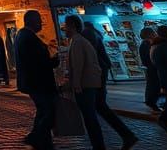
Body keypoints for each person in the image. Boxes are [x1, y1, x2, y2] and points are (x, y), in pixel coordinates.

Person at [82, 22, 137, 149]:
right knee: (101, 107)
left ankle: (121, 137)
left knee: (95, 108)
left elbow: (89, 56)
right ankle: (126, 135)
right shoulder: (95, 33)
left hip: (95, 74)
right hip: (101, 71)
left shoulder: (87, 34)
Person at [15, 10, 58, 150]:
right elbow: (38, 61)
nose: (41, 23)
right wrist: (54, 60)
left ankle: (41, 139)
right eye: (39, 20)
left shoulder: (23, 35)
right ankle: (37, 136)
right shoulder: (28, 37)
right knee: (49, 111)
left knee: (43, 110)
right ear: (32, 21)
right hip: (38, 82)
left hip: (34, 82)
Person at [63, 15, 106, 150]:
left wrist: (76, 84)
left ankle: (98, 145)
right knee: (89, 116)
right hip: (87, 83)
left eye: (66, 26)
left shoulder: (77, 42)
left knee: (89, 117)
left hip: (85, 85)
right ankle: (98, 144)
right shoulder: (77, 41)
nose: (64, 29)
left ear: (73, 26)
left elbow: (78, 64)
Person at [138, 27, 161, 112]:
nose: (155, 34)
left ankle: (151, 101)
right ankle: (152, 103)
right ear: (149, 34)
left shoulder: (144, 44)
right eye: (153, 32)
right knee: (154, 86)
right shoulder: (147, 45)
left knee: (152, 86)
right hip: (153, 68)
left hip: (150, 68)